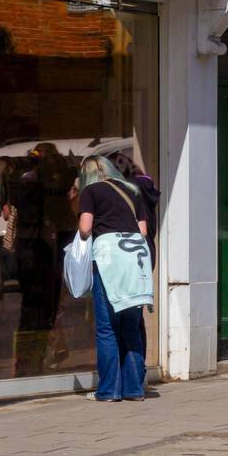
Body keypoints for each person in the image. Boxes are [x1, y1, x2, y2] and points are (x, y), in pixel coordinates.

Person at [76, 154, 154, 402]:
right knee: (131, 325)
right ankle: (134, 389)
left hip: (109, 258)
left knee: (107, 327)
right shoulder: (132, 190)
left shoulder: (91, 192)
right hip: (135, 258)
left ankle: (108, 390)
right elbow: (143, 230)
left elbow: (86, 228)